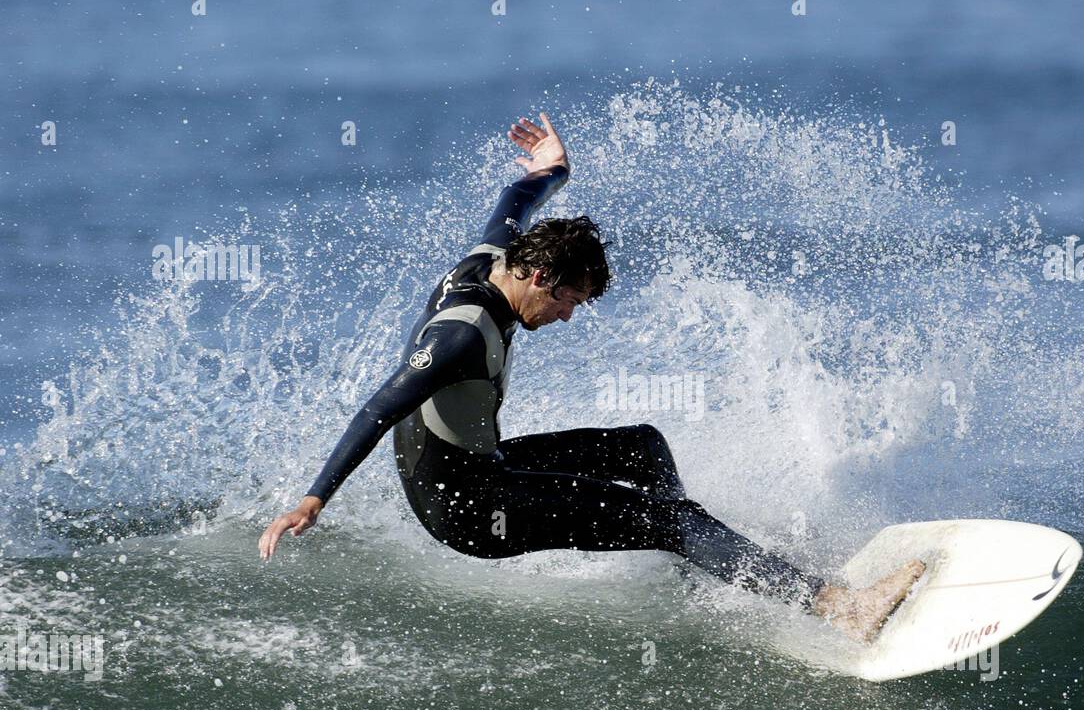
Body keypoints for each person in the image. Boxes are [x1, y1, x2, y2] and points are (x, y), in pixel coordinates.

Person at [259, 112, 923, 641]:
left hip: (479, 464)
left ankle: (690, 548)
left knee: (645, 446)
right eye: (569, 300)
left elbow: (516, 194)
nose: (568, 316)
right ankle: (839, 606)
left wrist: (555, 168)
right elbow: (379, 406)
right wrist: (313, 499)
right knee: (671, 518)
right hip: (468, 507)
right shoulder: (461, 335)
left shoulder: (499, 256)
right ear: (541, 276)